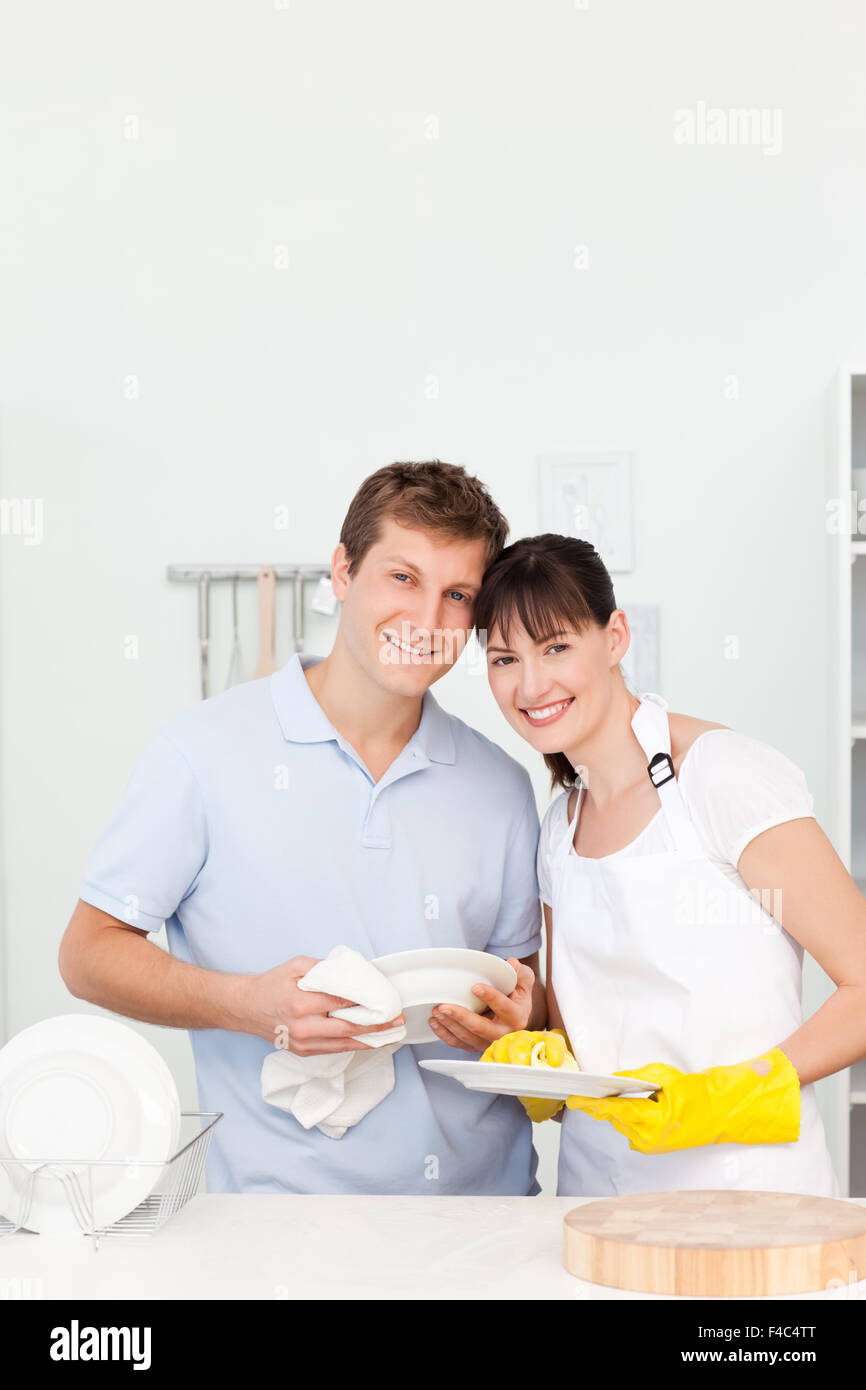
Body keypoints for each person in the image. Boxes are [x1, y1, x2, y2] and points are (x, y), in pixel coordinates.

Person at [59, 461, 546, 1196]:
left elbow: (531, 995)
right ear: (343, 572)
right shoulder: (201, 753)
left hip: (485, 1219)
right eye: (403, 578)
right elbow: (87, 955)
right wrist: (245, 1005)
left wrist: (518, 1018)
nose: (425, 623)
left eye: (456, 596)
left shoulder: (502, 787)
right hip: (275, 1226)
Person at [471, 532, 866, 1197]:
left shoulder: (720, 775)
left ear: (616, 636)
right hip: (598, 1202)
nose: (530, 684)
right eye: (505, 658)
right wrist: (534, 1042)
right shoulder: (558, 829)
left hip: (751, 1201)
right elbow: (582, 1036)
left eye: (557, 647)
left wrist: (734, 1094)